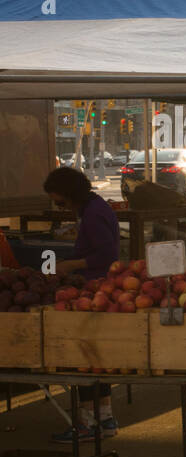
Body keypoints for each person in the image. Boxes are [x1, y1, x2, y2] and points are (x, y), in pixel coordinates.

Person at [43, 167, 121, 442]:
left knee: (82, 357)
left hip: (93, 291)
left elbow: (107, 253)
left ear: (70, 194)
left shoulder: (93, 214)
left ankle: (88, 423)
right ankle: (105, 419)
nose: (59, 207)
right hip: (94, 290)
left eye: (60, 202)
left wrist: (70, 265)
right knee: (95, 359)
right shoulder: (93, 208)